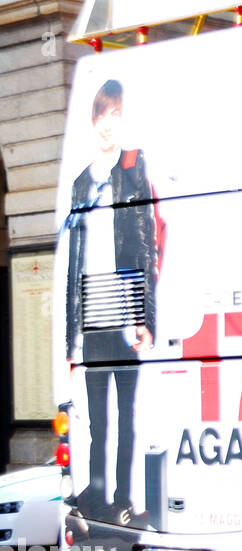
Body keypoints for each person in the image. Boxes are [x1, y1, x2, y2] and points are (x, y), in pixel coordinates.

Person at [65, 79, 158, 525]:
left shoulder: (133, 170)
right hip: (94, 318)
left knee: (127, 419)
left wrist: (147, 319)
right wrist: (70, 341)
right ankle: (100, 500)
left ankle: (122, 497)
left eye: (116, 115)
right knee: (96, 424)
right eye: (102, 114)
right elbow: (72, 264)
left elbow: (146, 248)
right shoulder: (82, 182)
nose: (108, 123)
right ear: (93, 120)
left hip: (126, 312)